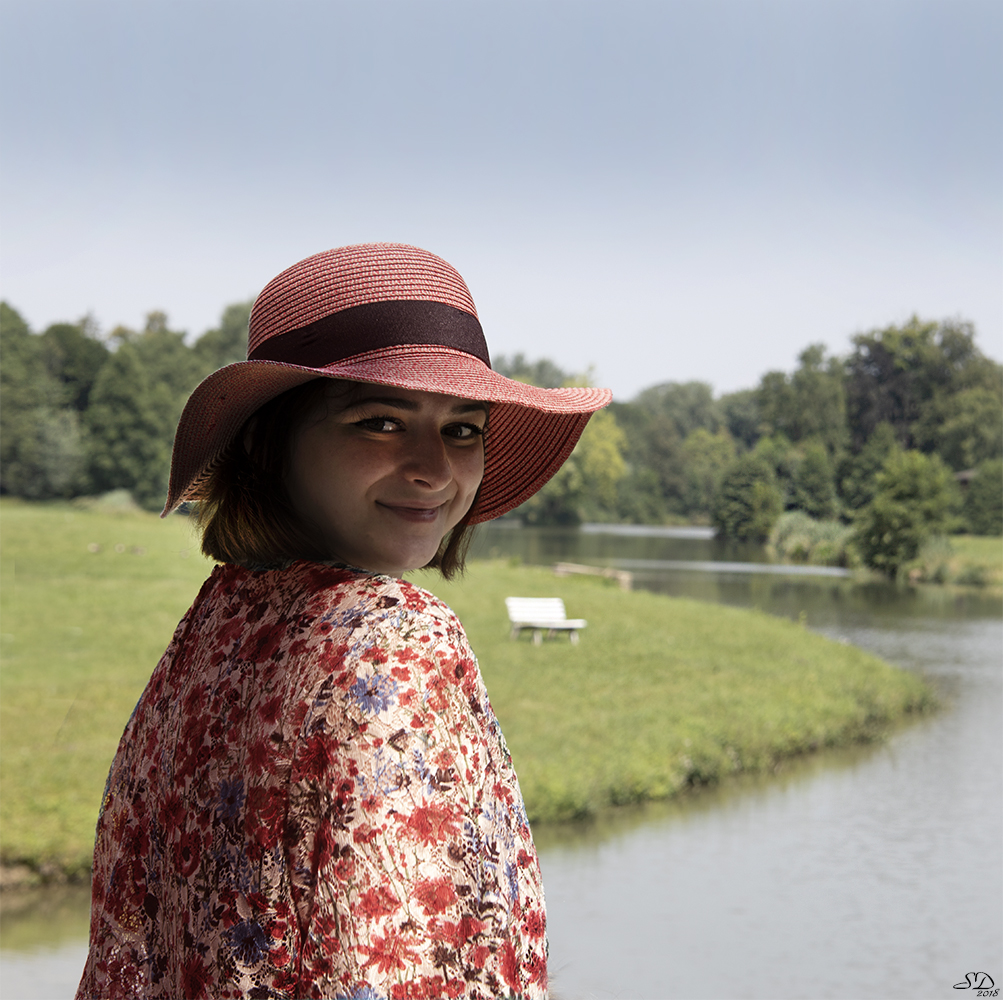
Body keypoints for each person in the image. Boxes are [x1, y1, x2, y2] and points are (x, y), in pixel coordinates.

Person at [75, 243, 612, 999]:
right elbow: (406, 967)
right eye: (380, 422)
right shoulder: (396, 638)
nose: (434, 468)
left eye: (463, 429)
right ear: (268, 443)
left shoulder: (216, 623)